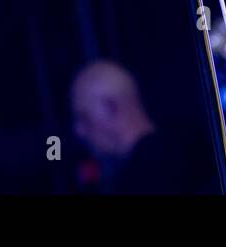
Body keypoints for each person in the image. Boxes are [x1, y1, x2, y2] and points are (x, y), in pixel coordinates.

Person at [70, 60, 213, 194]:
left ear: (110, 106)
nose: (79, 131)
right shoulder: (194, 149)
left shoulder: (140, 180)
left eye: (84, 117)